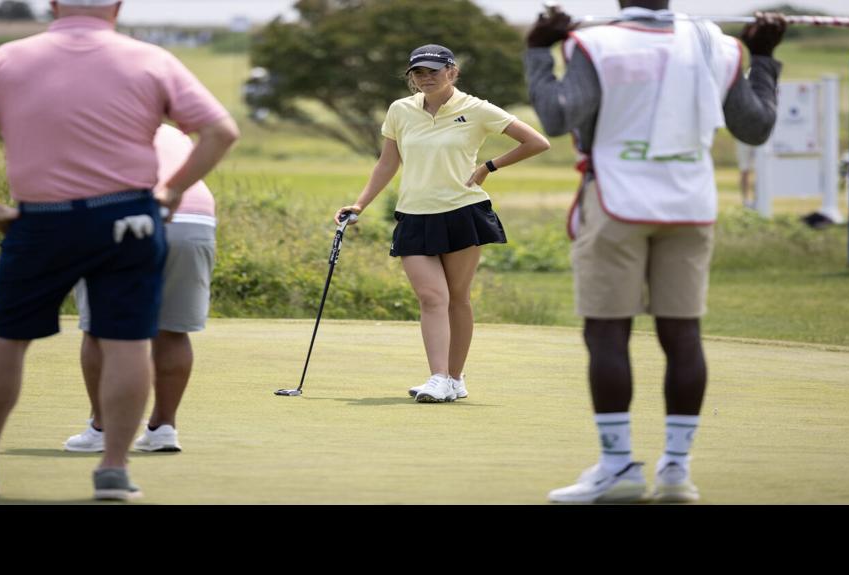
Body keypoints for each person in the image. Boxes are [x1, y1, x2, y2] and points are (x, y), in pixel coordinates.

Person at [0, 1, 238, 501]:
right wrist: (172, 191)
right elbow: (221, 131)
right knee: (126, 342)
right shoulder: (150, 59)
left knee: (5, 340)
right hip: (129, 217)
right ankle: (113, 470)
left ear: (52, 3)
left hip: (42, 219)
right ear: (116, 6)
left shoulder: (7, 57)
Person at [523, 3, 784, 503]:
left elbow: (557, 116)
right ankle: (675, 471)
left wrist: (537, 50)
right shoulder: (717, 44)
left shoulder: (597, 42)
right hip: (689, 204)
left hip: (617, 201)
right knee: (682, 333)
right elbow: (755, 128)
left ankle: (619, 465)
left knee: (607, 330)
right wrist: (765, 57)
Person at [335, 44, 551, 404]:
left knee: (457, 299)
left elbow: (536, 142)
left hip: (463, 212)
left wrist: (487, 167)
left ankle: (454, 378)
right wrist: (359, 204)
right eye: (419, 72)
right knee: (431, 296)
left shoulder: (477, 109)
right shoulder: (400, 110)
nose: (426, 78)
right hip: (414, 214)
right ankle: (439, 377)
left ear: (452, 72)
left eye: (434, 71)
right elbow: (387, 164)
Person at [63, 123, 217, 455]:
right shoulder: (172, 132)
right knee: (172, 330)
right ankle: (163, 429)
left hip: (125, 217)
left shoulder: (90, 125)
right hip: (195, 220)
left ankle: (102, 428)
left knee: (100, 330)